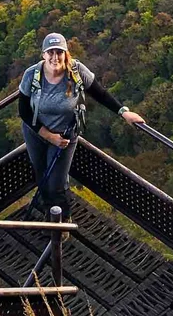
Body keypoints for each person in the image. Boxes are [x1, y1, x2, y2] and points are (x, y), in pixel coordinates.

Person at [18, 31, 145, 219]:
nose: (55, 57)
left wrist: (123, 112)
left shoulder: (76, 72)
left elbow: (100, 93)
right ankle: (49, 212)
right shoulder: (32, 75)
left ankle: (62, 219)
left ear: (66, 53)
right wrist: (48, 136)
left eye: (59, 52)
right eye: (50, 52)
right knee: (41, 175)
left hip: (65, 137)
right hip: (36, 133)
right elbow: (24, 111)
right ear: (43, 54)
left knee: (57, 183)